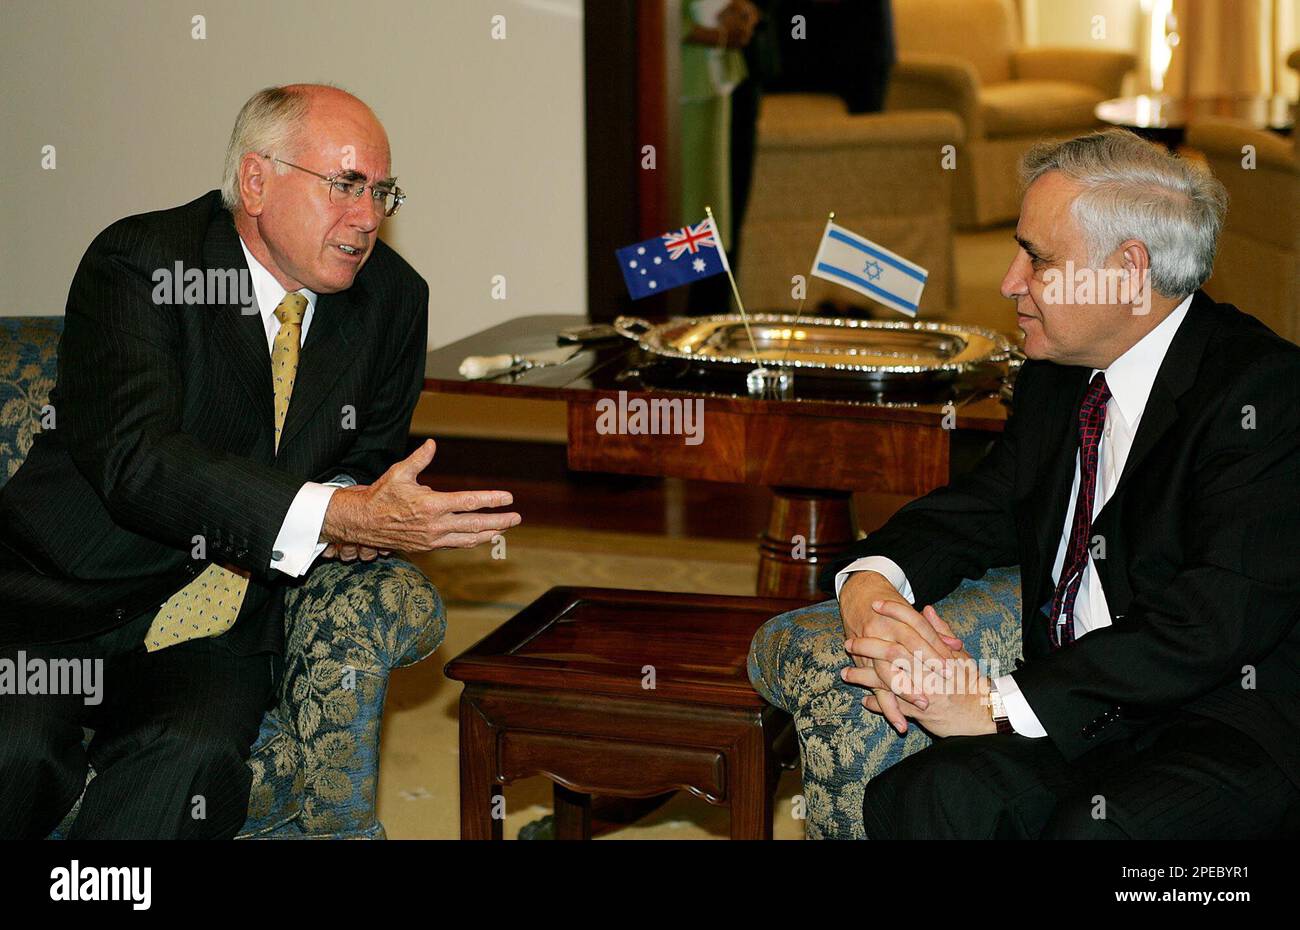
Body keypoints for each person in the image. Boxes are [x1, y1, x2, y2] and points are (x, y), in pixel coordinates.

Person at [0, 84, 521, 839]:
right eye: (345, 185)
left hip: (217, 622)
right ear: (256, 181)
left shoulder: (392, 302)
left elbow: (368, 454)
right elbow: (137, 461)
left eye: (382, 192)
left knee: (191, 756)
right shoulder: (144, 261)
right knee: (17, 750)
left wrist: (361, 510)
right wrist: (330, 512)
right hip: (60, 596)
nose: (369, 217)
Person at [771, 129, 1300, 838]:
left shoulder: (1265, 393)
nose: (1009, 281)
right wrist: (870, 584)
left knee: (1094, 830)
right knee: (923, 798)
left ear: (1127, 269)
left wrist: (995, 705)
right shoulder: (1058, 377)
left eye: (1037, 258)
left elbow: (1212, 622)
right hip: (1085, 718)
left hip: (1225, 725)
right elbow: (980, 509)